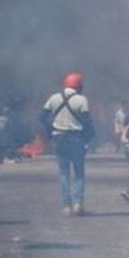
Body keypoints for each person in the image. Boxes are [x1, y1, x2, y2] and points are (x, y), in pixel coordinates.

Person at [41, 73, 94, 216]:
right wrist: (88, 140)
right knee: (79, 173)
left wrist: (51, 131)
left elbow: (42, 116)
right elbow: (86, 121)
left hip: (58, 137)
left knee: (64, 173)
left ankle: (66, 206)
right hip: (76, 138)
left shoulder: (54, 98)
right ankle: (78, 204)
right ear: (79, 86)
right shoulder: (82, 100)